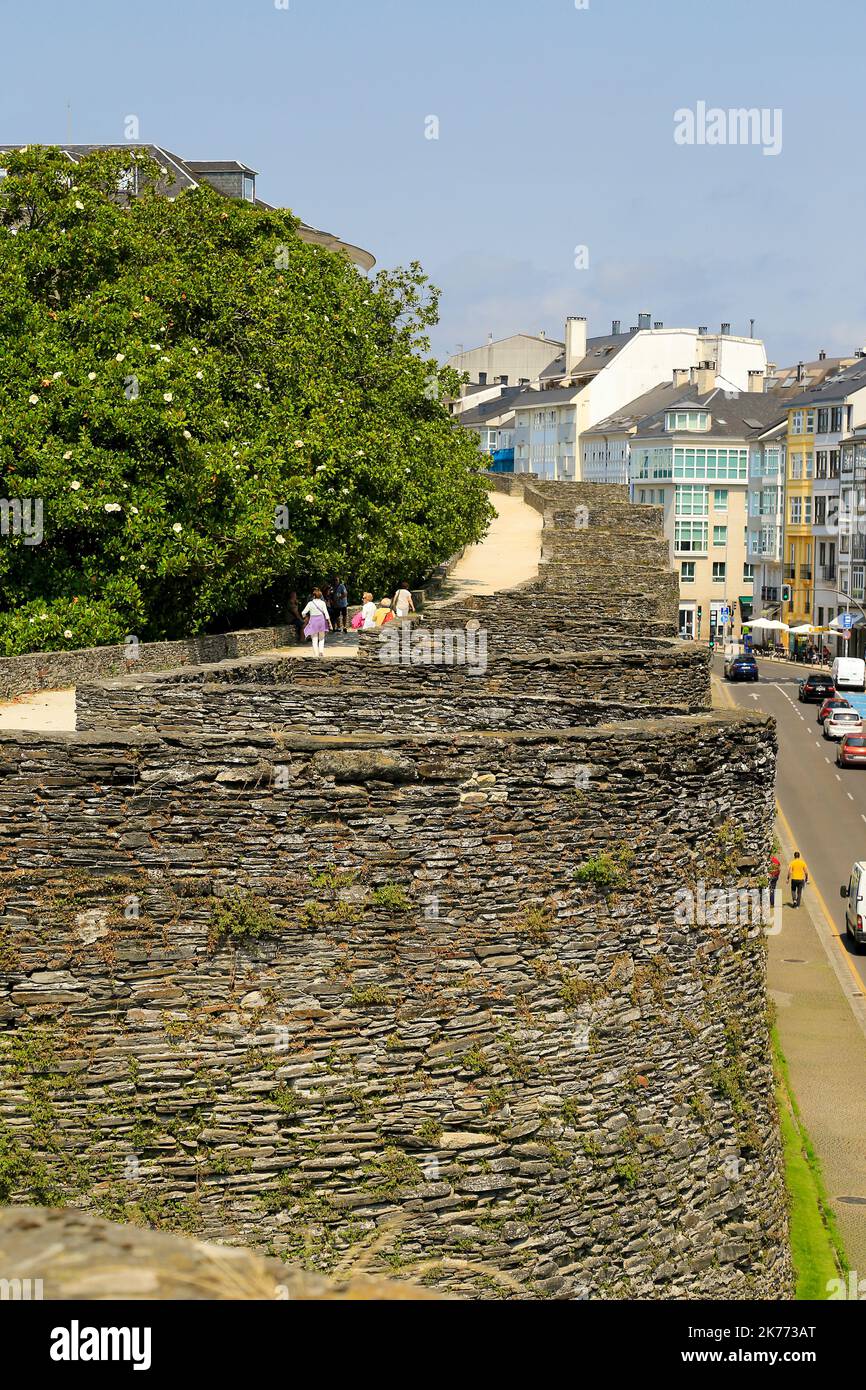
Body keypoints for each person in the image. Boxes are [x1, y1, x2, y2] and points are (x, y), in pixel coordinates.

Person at [302, 587, 332, 657]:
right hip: (321, 621)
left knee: (314, 639)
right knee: (321, 638)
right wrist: (329, 623)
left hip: (313, 621)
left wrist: (305, 617)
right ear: (320, 596)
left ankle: (316, 655)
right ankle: (321, 652)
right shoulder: (322, 603)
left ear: (313, 596)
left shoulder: (310, 603)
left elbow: (303, 613)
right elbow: (326, 614)